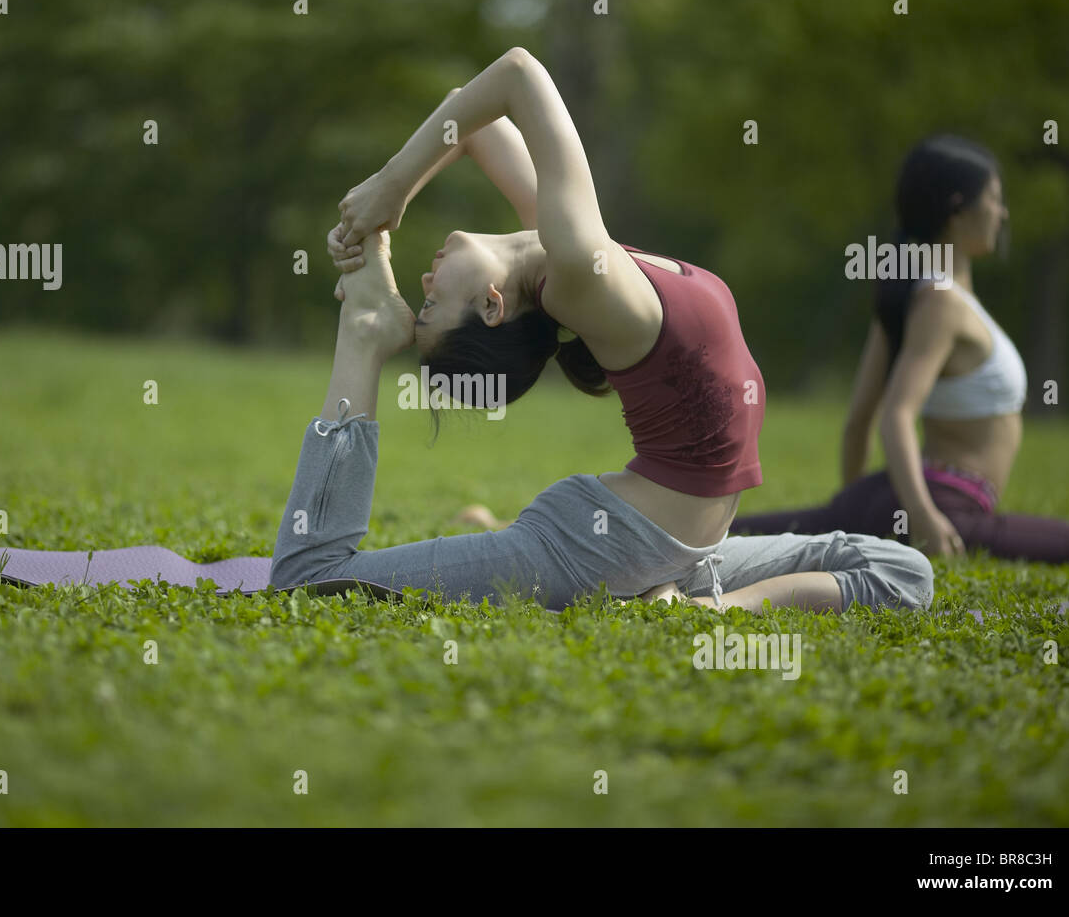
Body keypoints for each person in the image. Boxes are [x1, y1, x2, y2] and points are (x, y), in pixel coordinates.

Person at [269, 47, 933, 614]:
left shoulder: (566, 260)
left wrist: (389, 203)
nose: (425, 284)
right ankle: (365, 333)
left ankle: (699, 601)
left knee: (900, 567)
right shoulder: (581, 274)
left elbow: (472, 113)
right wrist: (391, 188)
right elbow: (516, 77)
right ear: (493, 305)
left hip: (677, 551)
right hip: (604, 543)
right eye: (430, 309)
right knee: (311, 579)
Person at [730, 135, 1069, 561]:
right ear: (958, 208)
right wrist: (922, 515)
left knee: (739, 536)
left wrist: (852, 517)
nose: (1003, 214)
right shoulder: (939, 302)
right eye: (995, 199)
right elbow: (896, 416)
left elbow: (858, 421)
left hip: (887, 497)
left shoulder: (912, 296)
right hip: (941, 503)